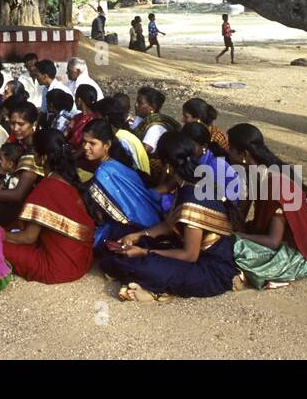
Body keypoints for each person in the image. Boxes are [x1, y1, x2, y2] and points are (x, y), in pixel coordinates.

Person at [101, 129, 239, 301]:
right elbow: (168, 225)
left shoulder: (192, 196)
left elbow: (190, 255)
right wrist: (138, 235)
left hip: (210, 270)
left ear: (168, 166)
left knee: (135, 262)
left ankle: (154, 290)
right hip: (193, 255)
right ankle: (148, 285)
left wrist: (144, 252)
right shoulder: (188, 183)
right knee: (124, 242)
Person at [227, 123, 307, 289]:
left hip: (291, 257)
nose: (228, 152)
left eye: (230, 148)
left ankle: (250, 276)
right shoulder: (256, 174)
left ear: (243, 154)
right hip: (273, 242)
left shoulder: (276, 186)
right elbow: (241, 215)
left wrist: (237, 235)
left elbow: (273, 241)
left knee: (231, 245)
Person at [2, 129, 95, 284]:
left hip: (58, 267)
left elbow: (28, 238)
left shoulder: (47, 186)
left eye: (35, 153)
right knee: (11, 229)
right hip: (82, 260)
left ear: (42, 158)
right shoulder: (68, 177)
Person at [83, 119, 163, 248]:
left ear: (107, 145)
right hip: (151, 222)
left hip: (133, 228)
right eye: (84, 142)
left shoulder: (103, 172)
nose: (85, 147)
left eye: (92, 143)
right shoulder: (119, 164)